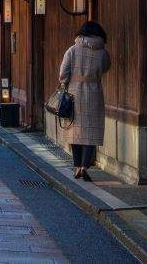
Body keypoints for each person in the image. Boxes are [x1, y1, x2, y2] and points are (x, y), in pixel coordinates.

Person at [59, 21, 111, 182]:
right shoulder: (102, 52)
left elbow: (63, 73)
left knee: (75, 131)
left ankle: (76, 166)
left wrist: (65, 82)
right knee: (91, 131)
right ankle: (84, 166)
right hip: (94, 92)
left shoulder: (72, 50)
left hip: (74, 93)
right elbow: (106, 68)